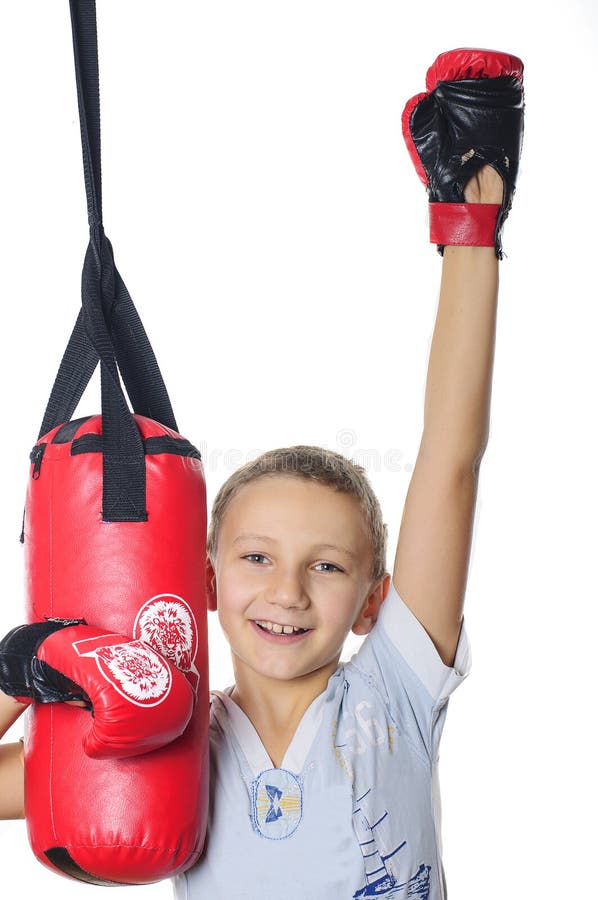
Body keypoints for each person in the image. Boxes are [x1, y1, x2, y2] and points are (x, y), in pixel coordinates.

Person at [0, 50, 521, 900]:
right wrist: (17, 676)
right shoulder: (171, 739)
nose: (288, 591)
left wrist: (470, 226)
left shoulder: (395, 690)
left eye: (328, 566)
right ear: (202, 580)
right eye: (256, 557)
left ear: (376, 601)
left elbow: (450, 460)